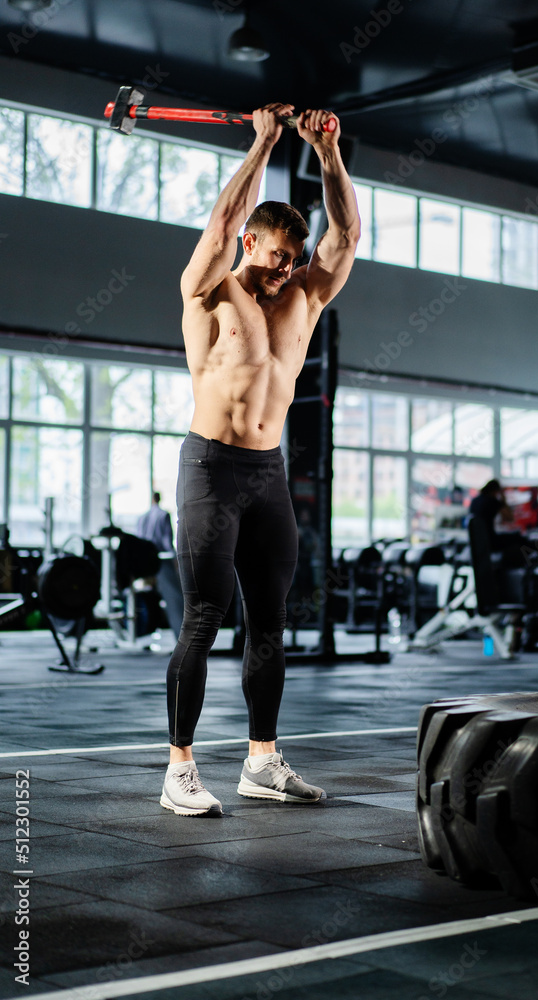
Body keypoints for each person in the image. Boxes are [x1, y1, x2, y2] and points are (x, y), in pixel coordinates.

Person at [160, 102, 361, 817]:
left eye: (293, 258)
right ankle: (179, 768)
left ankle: (261, 761)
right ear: (250, 243)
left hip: (269, 474)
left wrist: (326, 151)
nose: (286, 268)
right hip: (211, 468)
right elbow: (215, 228)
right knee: (205, 615)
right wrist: (264, 144)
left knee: (272, 619)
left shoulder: (305, 297)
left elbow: (347, 234)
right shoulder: (208, 292)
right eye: (276, 254)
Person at [135, 492, 184, 642]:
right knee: (174, 598)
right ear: (159, 499)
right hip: (162, 559)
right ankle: (180, 636)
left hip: (146, 561)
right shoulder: (163, 515)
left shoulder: (142, 517)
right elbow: (167, 540)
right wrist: (175, 559)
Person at [469, 479, 522, 552]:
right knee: (518, 538)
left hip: (477, 542)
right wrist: (503, 499)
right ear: (496, 491)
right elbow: (510, 518)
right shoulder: (492, 501)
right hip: (490, 541)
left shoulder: (474, 501)